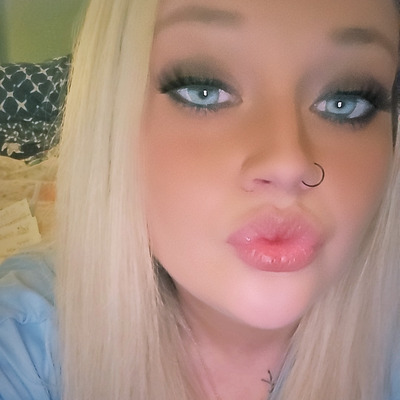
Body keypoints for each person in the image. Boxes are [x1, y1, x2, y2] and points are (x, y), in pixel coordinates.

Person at [0, 0, 399, 399]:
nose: (288, 163)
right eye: (203, 91)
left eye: (346, 100)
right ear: (111, 116)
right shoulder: (23, 342)